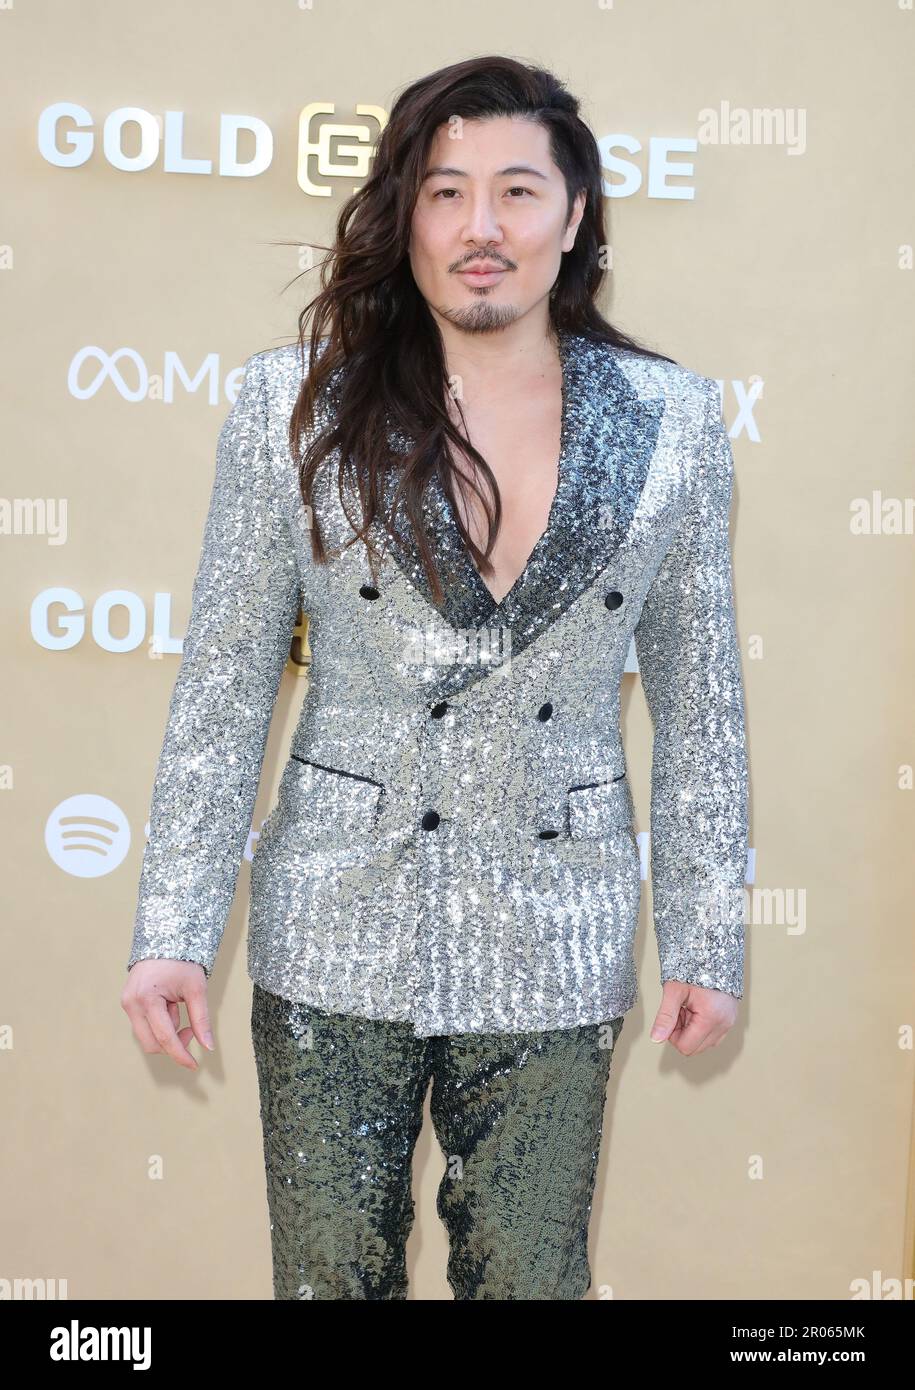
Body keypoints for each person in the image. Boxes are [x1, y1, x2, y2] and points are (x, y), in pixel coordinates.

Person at [121, 55, 749, 1300]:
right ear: (403, 212)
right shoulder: (293, 405)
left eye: (518, 191)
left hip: (556, 927)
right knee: (327, 1284)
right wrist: (174, 931)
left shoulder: (675, 420)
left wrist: (710, 934)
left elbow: (703, 697)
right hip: (329, 929)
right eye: (446, 190)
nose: (481, 228)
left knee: (530, 1278)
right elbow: (225, 684)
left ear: (574, 219)